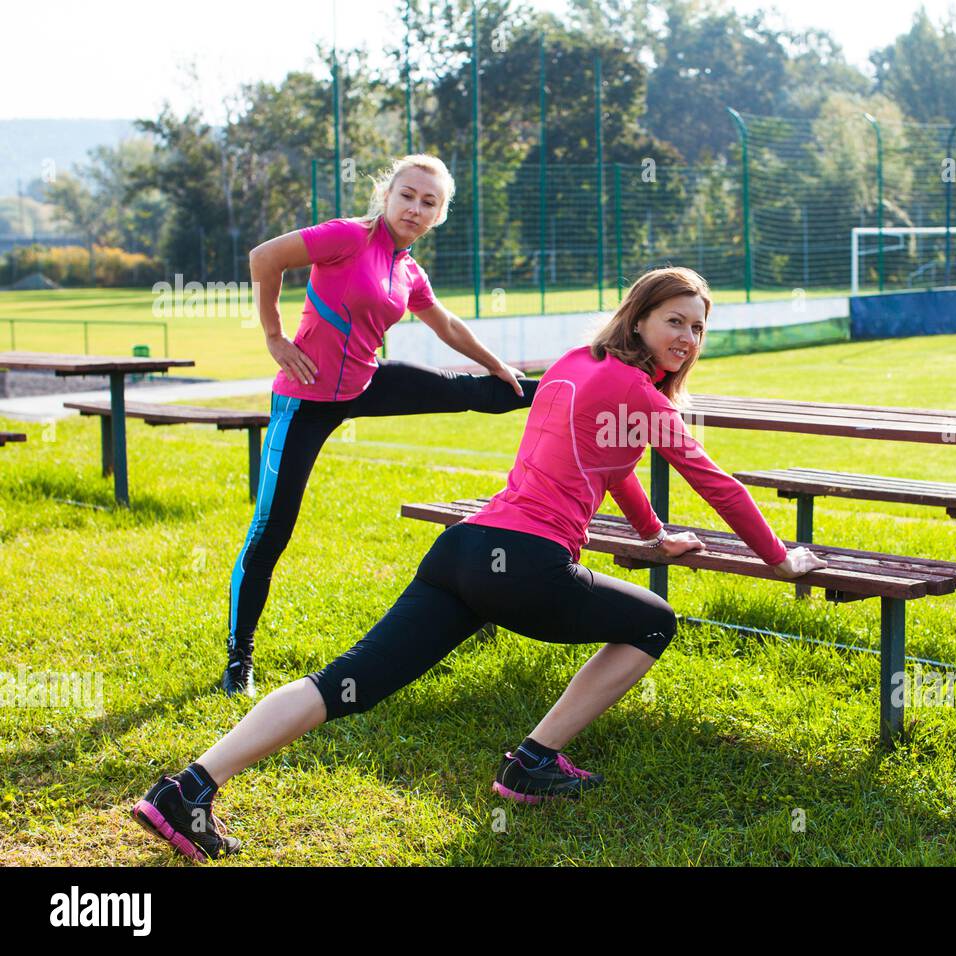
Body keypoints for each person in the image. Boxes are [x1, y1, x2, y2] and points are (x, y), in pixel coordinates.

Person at [131, 266, 826, 861]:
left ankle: (186, 788)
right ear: (639, 317)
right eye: (675, 321)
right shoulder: (640, 395)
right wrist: (781, 558)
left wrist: (652, 535)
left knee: (346, 682)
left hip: (463, 552)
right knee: (653, 623)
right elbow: (719, 485)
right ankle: (532, 764)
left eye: (699, 329)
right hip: (524, 565)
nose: (687, 339)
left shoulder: (573, 366)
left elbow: (610, 466)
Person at [226, 153, 537, 697]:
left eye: (429, 202)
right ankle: (239, 659)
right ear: (387, 194)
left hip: (366, 384)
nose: (416, 208)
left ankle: (568, 392)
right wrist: (274, 337)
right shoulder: (347, 236)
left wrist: (495, 362)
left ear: (440, 214)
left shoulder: (407, 268)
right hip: (305, 400)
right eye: (408, 195)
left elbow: (444, 321)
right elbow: (263, 258)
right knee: (271, 531)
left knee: (475, 389)